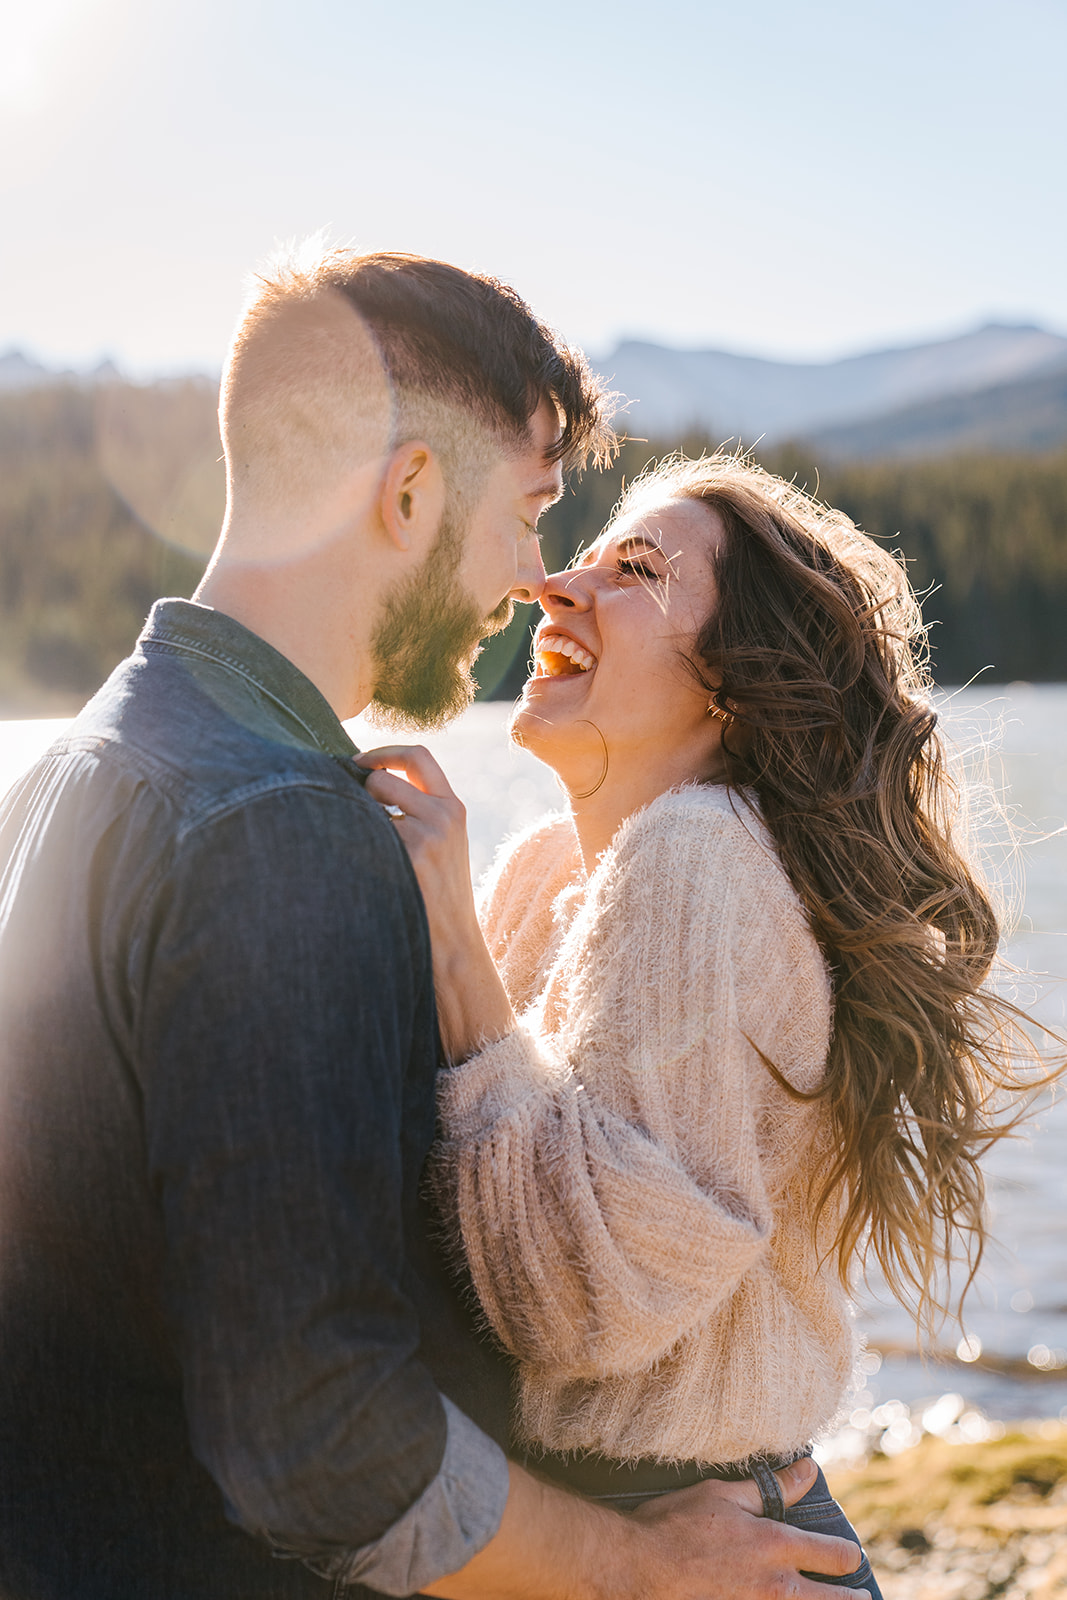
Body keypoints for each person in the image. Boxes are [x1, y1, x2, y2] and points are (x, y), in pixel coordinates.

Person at [0, 252, 867, 1599]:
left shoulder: (66, 779)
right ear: (407, 493)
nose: (532, 580)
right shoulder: (281, 828)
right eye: (527, 515)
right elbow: (318, 1430)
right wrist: (627, 1566)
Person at [360, 452, 1041, 1600]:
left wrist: (455, 960)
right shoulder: (545, 871)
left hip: (696, 1550)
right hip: (638, 1531)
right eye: (581, 550)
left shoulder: (696, 855)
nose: (559, 584)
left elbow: (586, 1297)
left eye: (634, 570)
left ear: (730, 677)